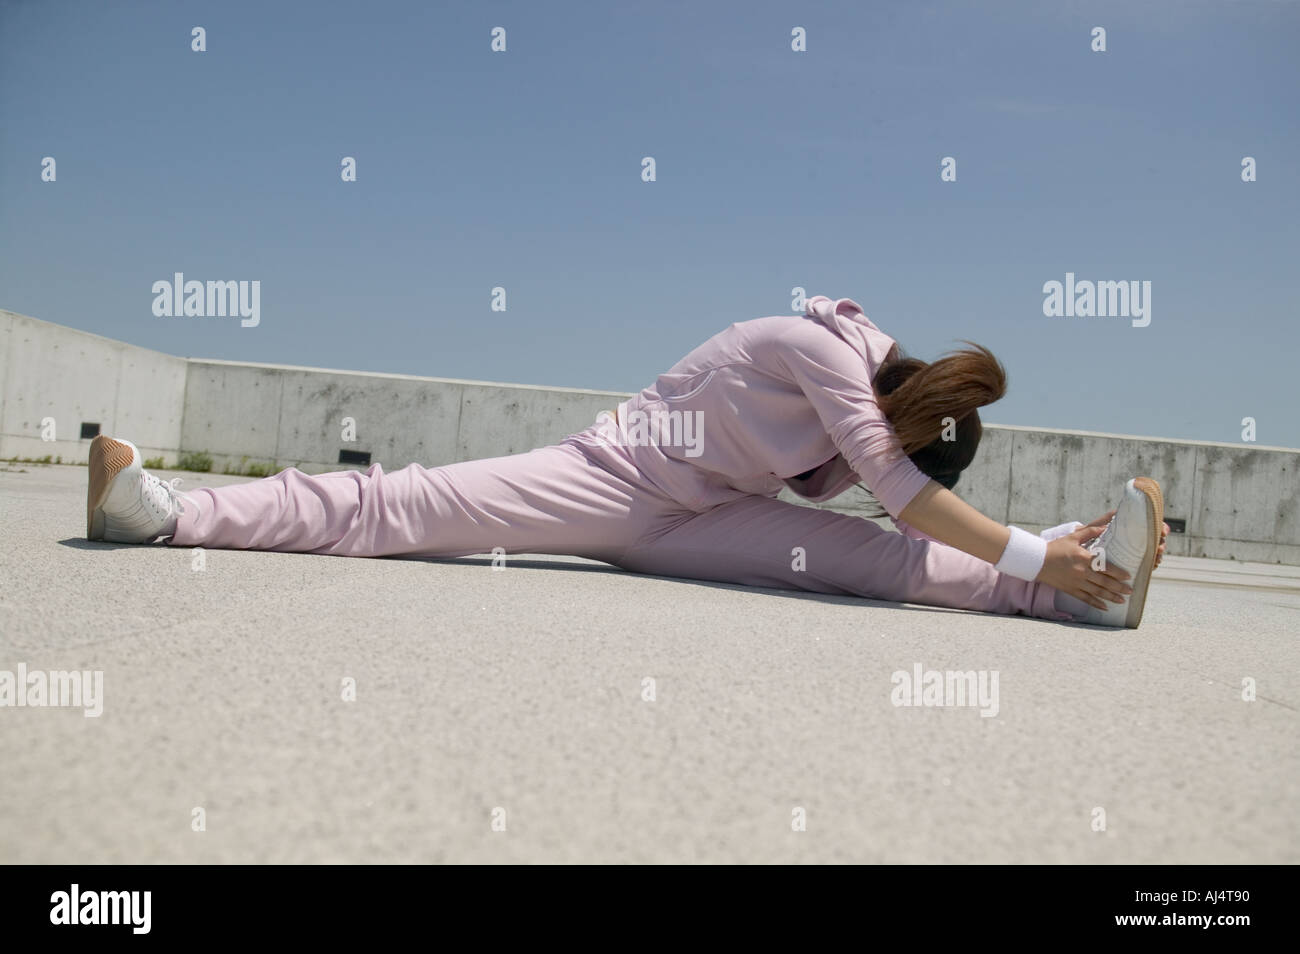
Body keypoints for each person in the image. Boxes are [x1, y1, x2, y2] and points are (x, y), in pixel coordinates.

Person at [85, 295, 1168, 628]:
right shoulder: (811, 349)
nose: (889, 463)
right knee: (400, 507)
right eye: (910, 445)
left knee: (873, 566)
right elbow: (905, 492)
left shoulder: (874, 425)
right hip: (610, 481)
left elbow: (900, 521)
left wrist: (1054, 561)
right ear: (904, 407)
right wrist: (1029, 547)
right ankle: (168, 512)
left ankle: (1086, 600)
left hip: (700, 522)